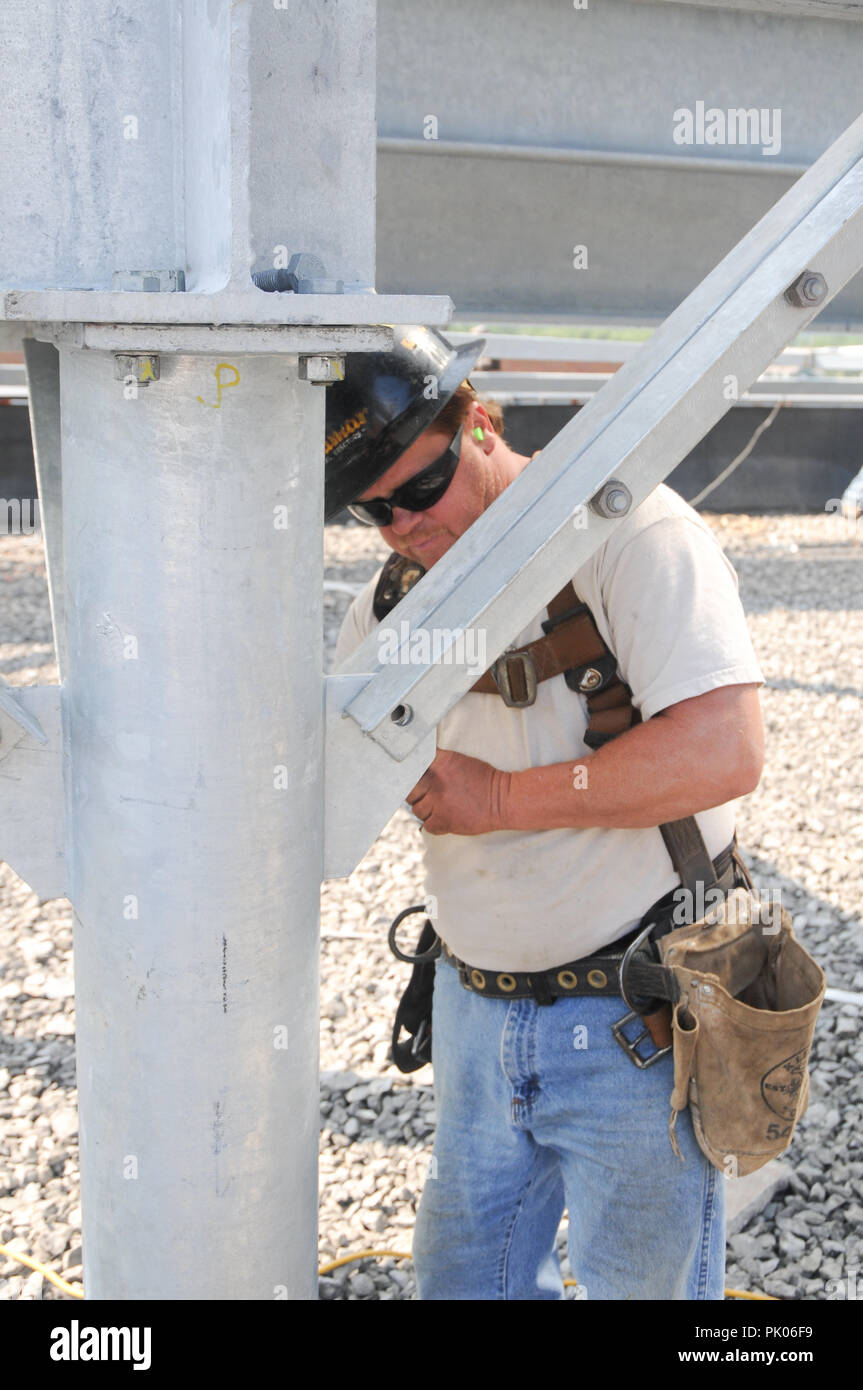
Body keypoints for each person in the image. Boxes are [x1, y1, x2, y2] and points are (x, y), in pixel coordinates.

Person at [330, 325, 766, 1301]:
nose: (402, 526)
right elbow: (342, 759)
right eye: (373, 510)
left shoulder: (630, 533)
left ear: (476, 419)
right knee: (463, 1280)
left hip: (637, 1018)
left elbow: (723, 749)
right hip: (475, 1011)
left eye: (418, 489)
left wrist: (498, 800)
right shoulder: (393, 602)